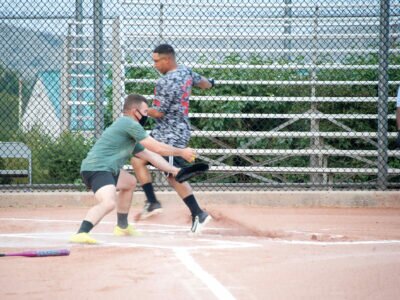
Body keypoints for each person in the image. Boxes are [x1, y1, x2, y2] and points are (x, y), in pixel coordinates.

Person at [70, 94, 196, 244]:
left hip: (108, 169)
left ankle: (122, 226)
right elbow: (157, 147)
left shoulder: (128, 133)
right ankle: (81, 232)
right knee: (109, 202)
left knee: (129, 182)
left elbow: (151, 155)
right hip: (97, 168)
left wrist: (175, 170)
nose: (146, 115)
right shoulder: (128, 124)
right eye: (144, 111)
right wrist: (181, 151)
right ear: (134, 111)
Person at [131, 44, 214, 234]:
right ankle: (152, 201)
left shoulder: (165, 82)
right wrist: (211, 83)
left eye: (156, 61)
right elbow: (204, 82)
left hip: (170, 133)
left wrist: (141, 110)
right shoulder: (186, 72)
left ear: (167, 60)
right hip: (174, 130)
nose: (154, 65)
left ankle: (198, 213)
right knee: (137, 158)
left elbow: (159, 113)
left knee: (173, 174)